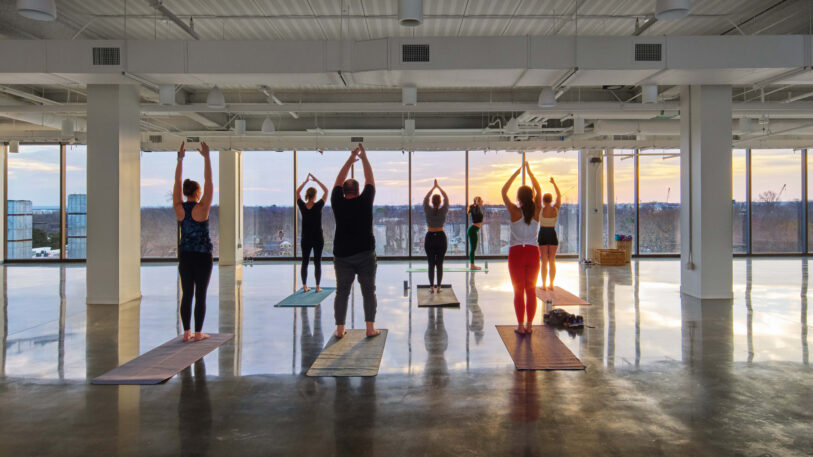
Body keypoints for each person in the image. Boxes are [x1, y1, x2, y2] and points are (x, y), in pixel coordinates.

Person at [331, 143, 380, 339]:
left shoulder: (337, 200)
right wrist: (364, 158)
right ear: (358, 191)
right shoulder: (365, 199)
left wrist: (350, 160)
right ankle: (370, 329)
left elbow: (338, 180)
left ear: (343, 191)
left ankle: (340, 330)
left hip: (342, 255)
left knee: (341, 292)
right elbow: (370, 178)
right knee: (369, 291)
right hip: (366, 254)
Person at [172, 141, 214, 342]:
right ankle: (198, 333)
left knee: (186, 293)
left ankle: (186, 332)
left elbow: (177, 180)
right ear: (197, 192)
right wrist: (206, 157)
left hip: (186, 255)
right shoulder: (203, 208)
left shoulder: (179, 209)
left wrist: (180, 160)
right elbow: (210, 181)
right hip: (203, 256)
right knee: (201, 294)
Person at [502, 161, 542, 335]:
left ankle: (520, 326)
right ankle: (529, 325)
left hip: (517, 253)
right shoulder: (537, 209)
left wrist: (516, 173)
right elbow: (539, 190)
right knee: (531, 290)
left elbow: (503, 191)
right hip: (533, 253)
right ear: (531, 196)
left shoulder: (513, 211)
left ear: (518, 197)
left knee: (518, 291)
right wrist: (530, 172)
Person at [296, 173, 328, 292]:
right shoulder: (318, 205)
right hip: (318, 238)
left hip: (306, 238)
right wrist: (316, 180)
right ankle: (317, 287)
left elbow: (297, 193)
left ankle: (304, 286)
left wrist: (305, 182)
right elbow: (326, 191)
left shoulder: (302, 206)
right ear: (315, 196)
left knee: (305, 262)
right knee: (317, 262)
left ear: (307, 195)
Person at [423, 179, 449, 293]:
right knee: (439, 264)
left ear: (432, 202)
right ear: (439, 202)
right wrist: (439, 187)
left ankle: (431, 288)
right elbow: (446, 198)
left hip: (430, 238)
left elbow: (425, 199)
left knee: (431, 264)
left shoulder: (428, 210)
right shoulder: (443, 210)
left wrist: (433, 188)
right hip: (441, 238)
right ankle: (439, 287)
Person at [538, 177, 562, 290]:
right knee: (552, 261)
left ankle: (543, 285)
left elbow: (535, 198)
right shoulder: (555, 209)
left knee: (544, 262)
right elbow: (559, 196)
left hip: (543, 233)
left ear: (543, 201)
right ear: (551, 200)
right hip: (552, 233)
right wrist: (554, 183)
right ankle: (551, 285)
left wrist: (534, 188)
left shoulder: (540, 210)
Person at [467, 196, 484, 270]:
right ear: (478, 202)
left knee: (473, 248)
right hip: (473, 230)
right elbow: (470, 210)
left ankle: (472, 265)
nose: (482, 201)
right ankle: (472, 265)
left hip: (473, 230)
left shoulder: (477, 208)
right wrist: (475, 204)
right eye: (481, 200)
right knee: (473, 249)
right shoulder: (476, 208)